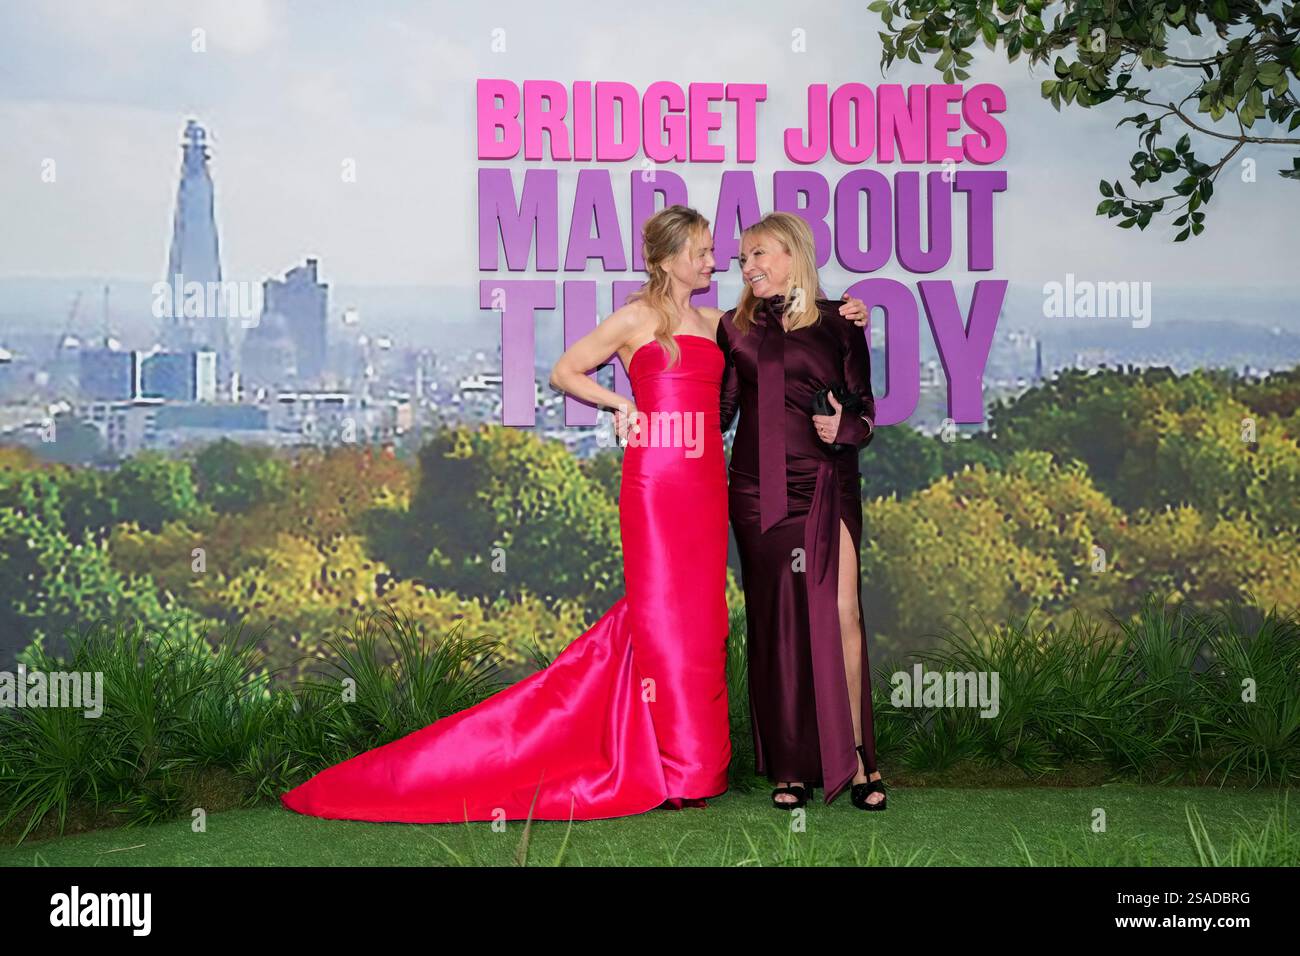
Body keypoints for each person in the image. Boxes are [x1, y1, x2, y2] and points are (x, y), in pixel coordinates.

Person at [716, 211, 887, 811]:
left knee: (843, 616)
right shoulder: (734, 329)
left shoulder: (843, 321)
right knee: (776, 626)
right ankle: (789, 767)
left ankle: (860, 758)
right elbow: (722, 414)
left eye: (759, 254)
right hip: (757, 492)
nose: (748, 267)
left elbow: (866, 414)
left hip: (825, 484)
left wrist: (843, 427)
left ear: (792, 253)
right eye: (742, 260)